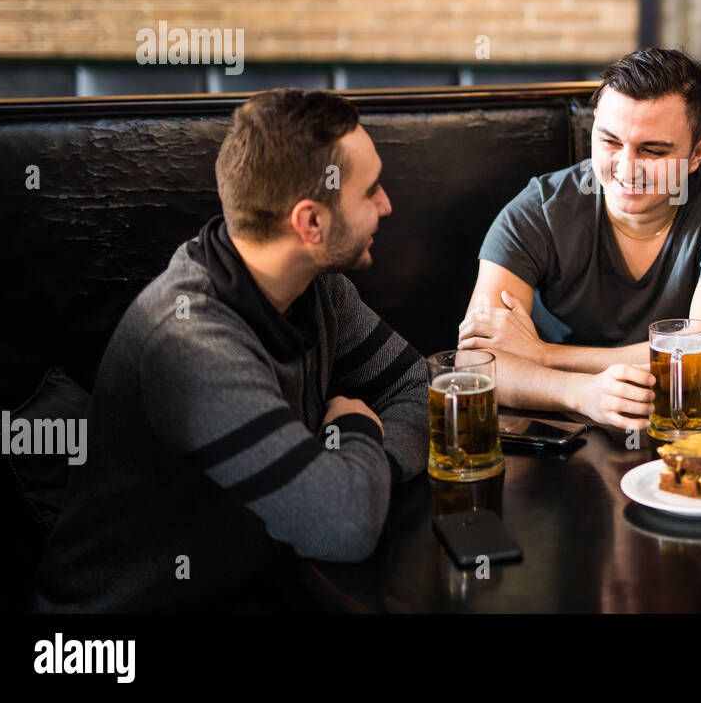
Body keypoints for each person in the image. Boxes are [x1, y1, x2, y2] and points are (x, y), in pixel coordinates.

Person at [33, 90, 428, 612]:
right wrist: (356, 432)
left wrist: (351, 474)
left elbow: (418, 388)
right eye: (371, 191)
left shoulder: (318, 289)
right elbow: (344, 526)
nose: (386, 205)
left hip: (256, 591)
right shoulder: (189, 341)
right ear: (310, 223)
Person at [458, 48, 701, 429]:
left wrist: (541, 354)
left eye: (652, 150)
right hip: (560, 436)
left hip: (685, 427)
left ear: (696, 154)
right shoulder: (539, 209)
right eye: (610, 142)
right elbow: (475, 364)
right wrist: (579, 393)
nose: (626, 167)